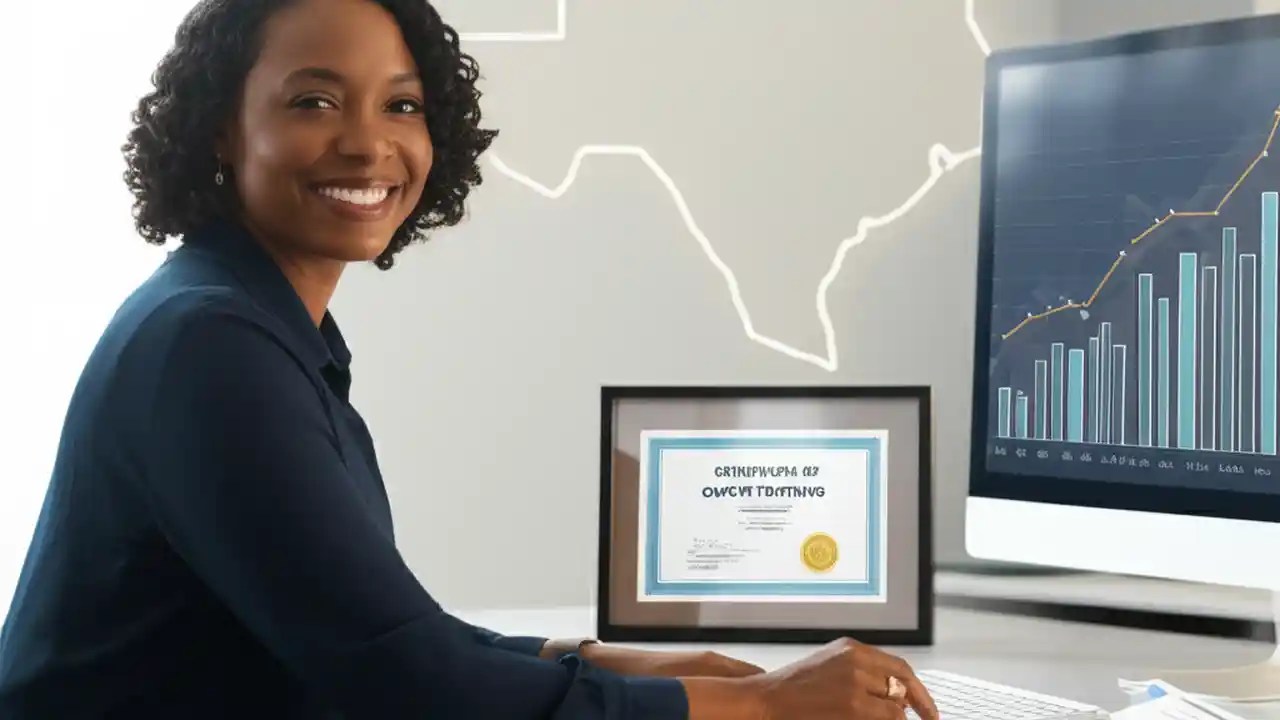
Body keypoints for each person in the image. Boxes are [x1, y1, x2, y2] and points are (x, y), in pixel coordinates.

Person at [0, 0, 941, 717]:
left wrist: (620, 660)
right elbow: (403, 683)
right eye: (314, 100)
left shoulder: (251, 322)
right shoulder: (209, 346)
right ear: (220, 130)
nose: (369, 141)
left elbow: (380, 631)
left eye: (401, 105)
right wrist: (757, 706)